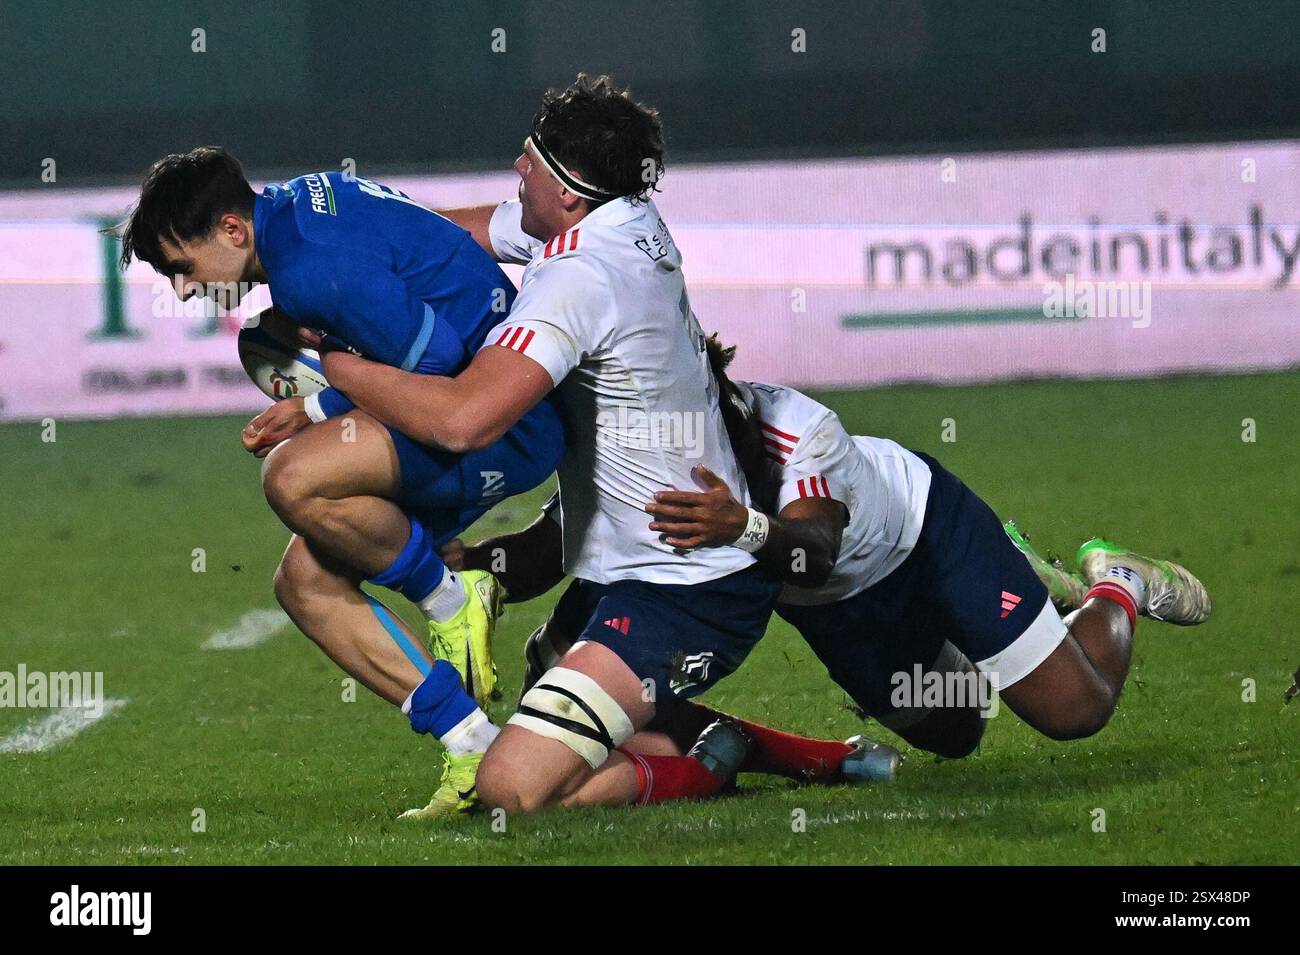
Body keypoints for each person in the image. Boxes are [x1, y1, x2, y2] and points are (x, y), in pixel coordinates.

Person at [318, 74, 890, 812]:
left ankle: (710, 767)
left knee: (514, 788)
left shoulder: (583, 276)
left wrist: (336, 365)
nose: (516, 171)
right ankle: (806, 756)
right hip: (627, 563)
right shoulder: (620, 215)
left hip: (686, 586)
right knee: (564, 703)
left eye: (527, 161)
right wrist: (340, 238)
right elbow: (446, 236)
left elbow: (464, 419)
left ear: (569, 191)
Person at [450, 338, 1213, 769]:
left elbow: (811, 552)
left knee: (1074, 711)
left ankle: (1114, 581)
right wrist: (468, 565)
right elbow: (560, 539)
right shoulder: (652, 449)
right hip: (843, 608)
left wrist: (740, 526)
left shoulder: (797, 428)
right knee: (957, 729)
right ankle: (1023, 600)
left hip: (925, 533)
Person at [113, 147, 567, 816]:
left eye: (182, 267)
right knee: (306, 584)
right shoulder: (302, 202)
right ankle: (473, 742)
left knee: (293, 476)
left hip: (504, 420)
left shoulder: (308, 271)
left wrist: (323, 391)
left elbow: (438, 363)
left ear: (233, 230)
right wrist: (317, 400)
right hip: (488, 406)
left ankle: (451, 599)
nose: (183, 290)